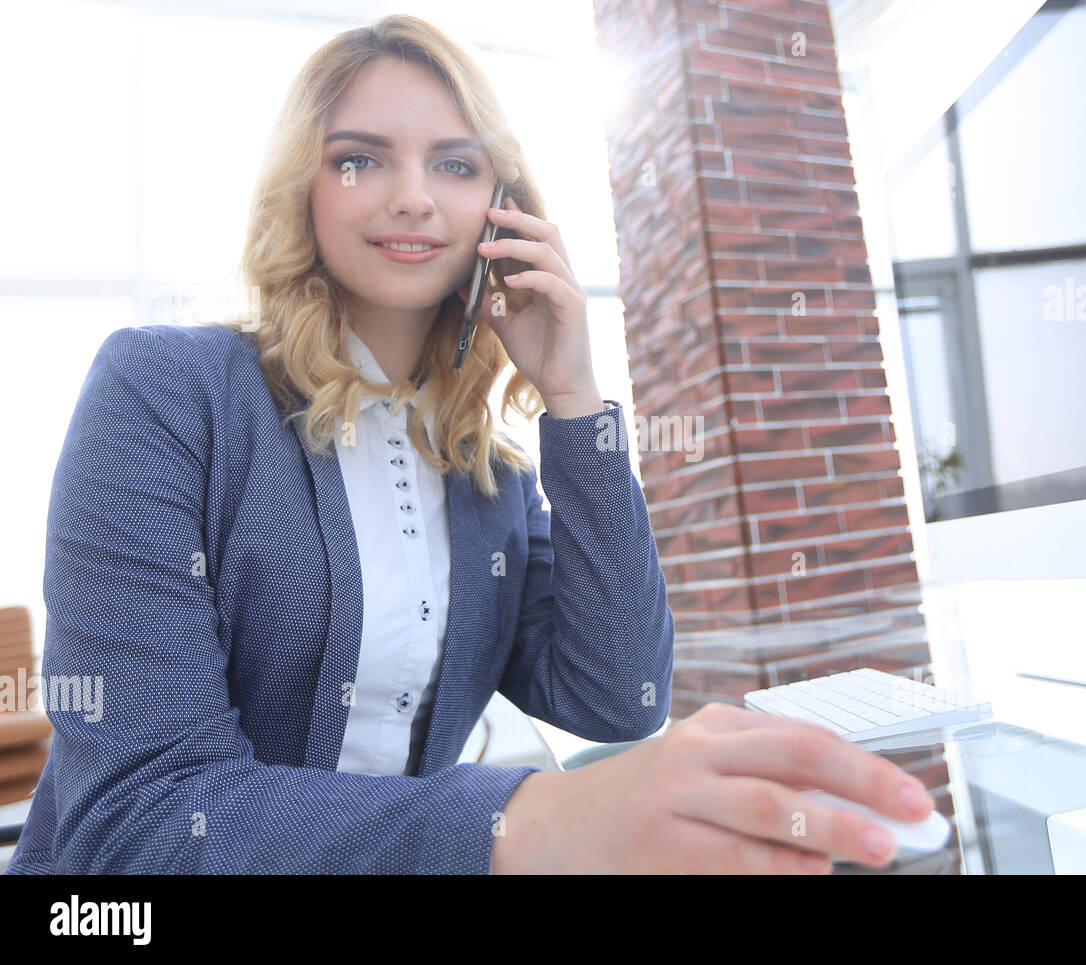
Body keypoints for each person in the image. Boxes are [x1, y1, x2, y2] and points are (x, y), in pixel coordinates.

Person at [5, 14, 934, 875]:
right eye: (361, 159)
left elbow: (619, 696)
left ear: (502, 207)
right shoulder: (166, 391)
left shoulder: (486, 478)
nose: (413, 198)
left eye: (455, 165)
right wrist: (527, 821)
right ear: (305, 188)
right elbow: (142, 819)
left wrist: (572, 397)